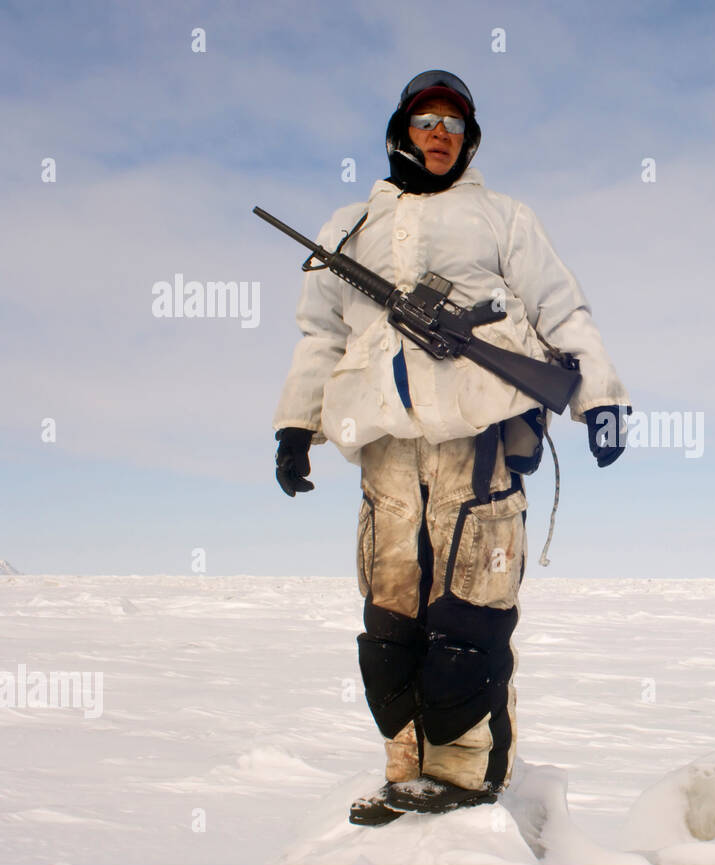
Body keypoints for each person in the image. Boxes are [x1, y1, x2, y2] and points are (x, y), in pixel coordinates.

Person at [270, 69, 631, 825]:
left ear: (468, 142)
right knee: (392, 612)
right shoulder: (347, 225)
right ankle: (406, 772)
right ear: (401, 132)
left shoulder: (502, 217)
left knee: (471, 608)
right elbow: (321, 336)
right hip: (384, 448)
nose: (440, 135)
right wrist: (295, 426)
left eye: (454, 126)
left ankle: (469, 777)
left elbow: (562, 307)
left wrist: (600, 396)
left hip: (480, 436)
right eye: (427, 121)